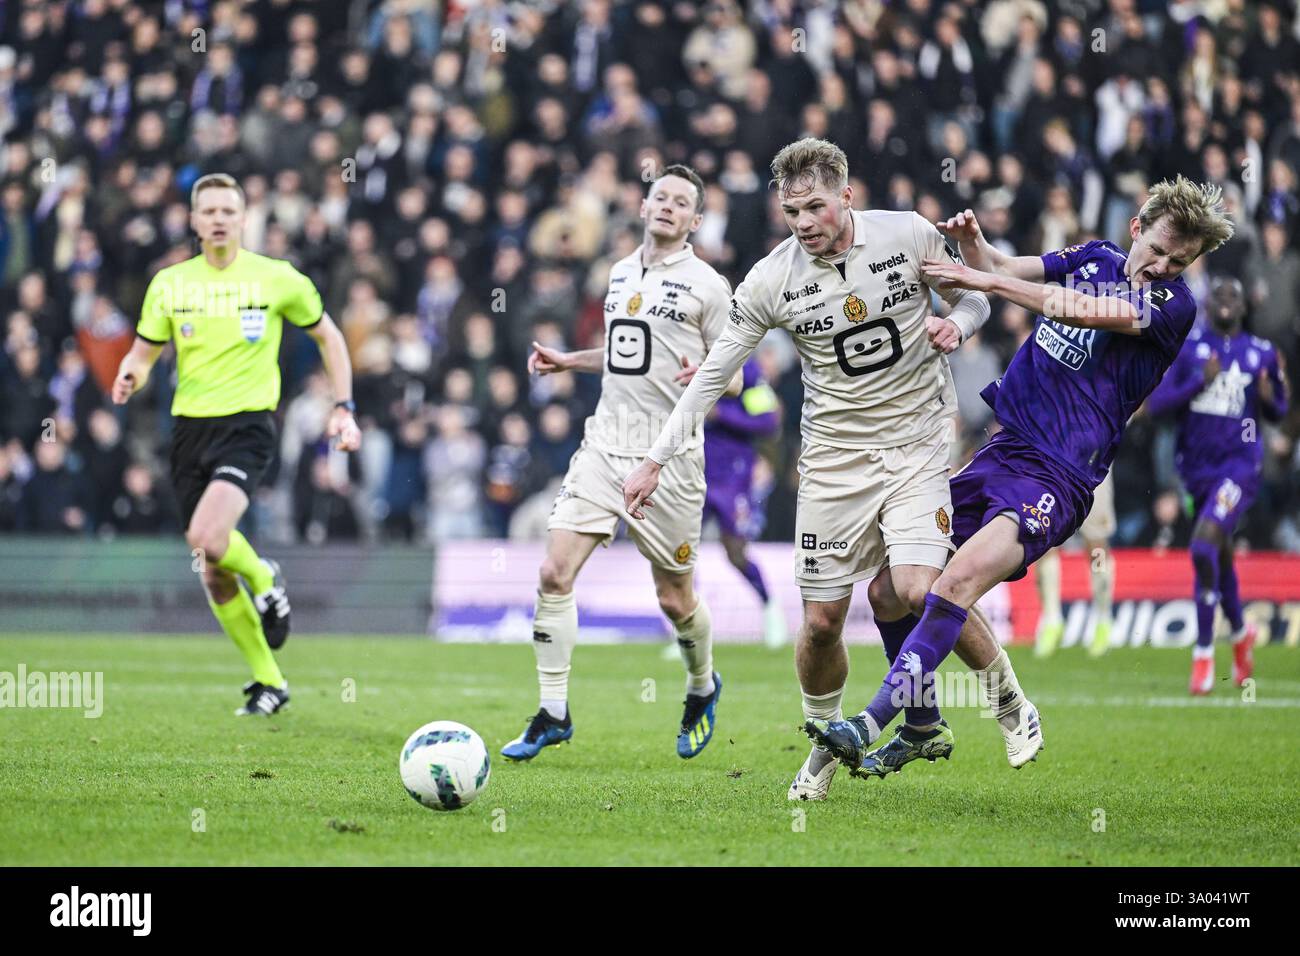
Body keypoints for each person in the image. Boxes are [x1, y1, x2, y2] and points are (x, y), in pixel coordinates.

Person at [624, 138, 1015, 801]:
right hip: (834, 460)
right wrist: (656, 457)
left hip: (918, 440)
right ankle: (826, 743)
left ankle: (1005, 706)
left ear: (845, 196)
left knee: (918, 588)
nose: (803, 222)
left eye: (813, 207)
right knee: (823, 622)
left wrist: (962, 327)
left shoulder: (908, 234)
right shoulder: (773, 277)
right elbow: (716, 371)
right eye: (791, 211)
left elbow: (976, 298)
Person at [804, 176, 1234, 776]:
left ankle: (869, 721)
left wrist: (983, 281)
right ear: (1136, 226)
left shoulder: (1172, 306)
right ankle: (926, 724)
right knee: (889, 590)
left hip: (1059, 477)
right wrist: (977, 247)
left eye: (1179, 260)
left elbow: (1075, 307)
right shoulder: (1093, 257)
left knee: (953, 585)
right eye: (1158, 249)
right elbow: (1007, 263)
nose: (1163, 266)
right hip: (1003, 452)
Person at [501, 165, 737, 762]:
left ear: (695, 221)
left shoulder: (708, 285)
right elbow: (626, 352)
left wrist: (714, 374)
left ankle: (701, 684)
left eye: (682, 202)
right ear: (643, 205)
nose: (668, 207)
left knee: (675, 599)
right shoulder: (618, 273)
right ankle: (553, 712)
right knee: (555, 573)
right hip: (605, 444)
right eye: (661, 196)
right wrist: (568, 361)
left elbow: (733, 372)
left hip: (672, 456)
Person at [111, 173, 361, 717]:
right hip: (188, 430)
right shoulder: (170, 284)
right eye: (210, 211)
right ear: (194, 221)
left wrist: (344, 408)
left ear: (245, 218)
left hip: (247, 426)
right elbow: (143, 354)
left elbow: (329, 336)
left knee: (208, 535)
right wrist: (130, 375)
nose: (220, 219)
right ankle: (269, 681)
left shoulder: (278, 279)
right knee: (211, 565)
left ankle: (266, 575)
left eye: (229, 209)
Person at [1145, 275, 1289, 694]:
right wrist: (1198, 382)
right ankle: (1242, 634)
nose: (1226, 301)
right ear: (1208, 306)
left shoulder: (1260, 353)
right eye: (1219, 295)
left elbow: (1278, 411)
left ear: (1244, 307)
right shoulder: (1189, 351)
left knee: (1203, 546)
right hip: (1197, 472)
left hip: (1241, 467)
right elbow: (1156, 407)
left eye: (1234, 296)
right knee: (1219, 559)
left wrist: (1271, 390)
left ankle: (1204, 654)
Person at [702, 357, 786, 649]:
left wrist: (720, 414)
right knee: (680, 550)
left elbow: (767, 420)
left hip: (732, 474)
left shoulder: (744, 366)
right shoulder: (684, 353)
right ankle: (687, 630)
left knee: (735, 550)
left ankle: (769, 607)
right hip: (692, 469)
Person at [1032, 469, 1116, 658]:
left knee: (1097, 547)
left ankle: (1104, 620)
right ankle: (1052, 620)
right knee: (1044, 539)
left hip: (1094, 460)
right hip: (1054, 458)